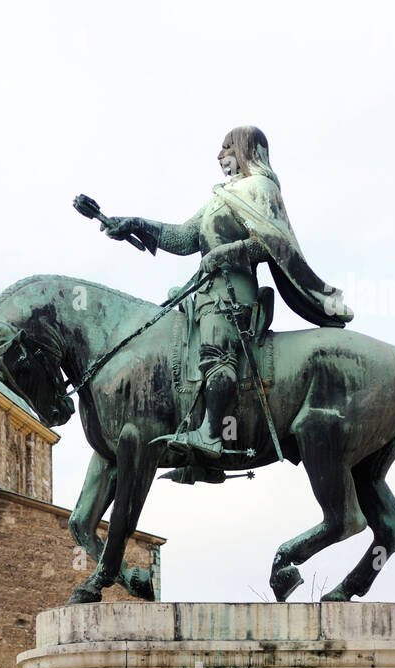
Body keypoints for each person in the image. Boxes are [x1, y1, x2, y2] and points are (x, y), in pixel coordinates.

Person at [101, 126, 352, 462]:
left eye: (226, 148)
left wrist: (224, 254)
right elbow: (184, 238)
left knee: (216, 353)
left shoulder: (260, 188)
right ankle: (194, 450)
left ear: (245, 150)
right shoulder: (220, 197)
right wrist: (136, 224)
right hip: (205, 291)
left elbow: (270, 245)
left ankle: (212, 435)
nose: (220, 156)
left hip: (234, 292)